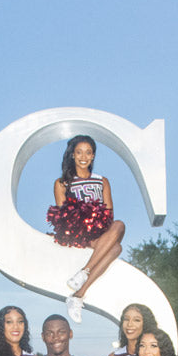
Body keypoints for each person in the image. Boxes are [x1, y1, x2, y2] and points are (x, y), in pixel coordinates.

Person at [55, 135, 127, 323]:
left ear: (93, 155)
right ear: (72, 155)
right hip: (77, 234)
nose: (83, 156)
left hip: (99, 232)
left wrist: (96, 221)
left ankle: (79, 290)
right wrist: (83, 220)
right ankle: (81, 283)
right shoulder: (62, 183)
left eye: (88, 152)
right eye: (79, 152)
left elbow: (109, 214)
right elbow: (63, 217)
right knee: (115, 247)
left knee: (118, 231)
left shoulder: (102, 181)